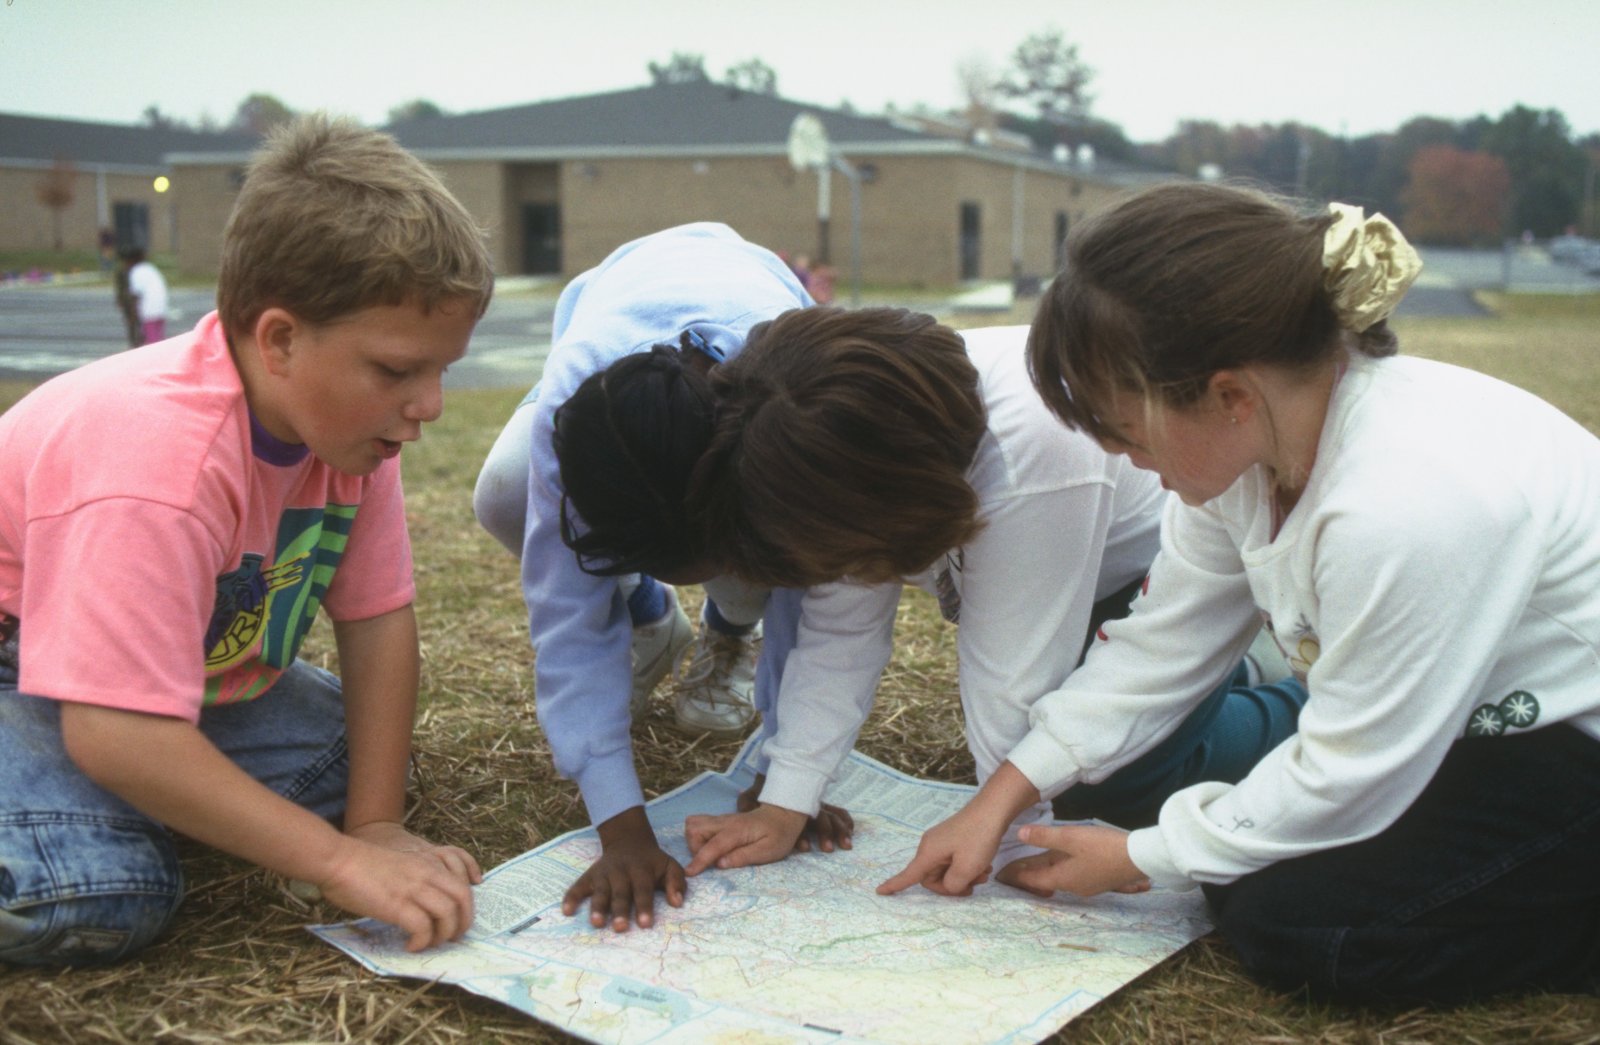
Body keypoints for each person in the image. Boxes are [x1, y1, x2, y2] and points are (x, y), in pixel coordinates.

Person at [878, 182, 1600, 1005]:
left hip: (1569, 736)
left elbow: (1353, 768)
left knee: (1307, 929)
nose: (1123, 458)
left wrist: (1140, 857)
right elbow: (1163, 642)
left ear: (1228, 395)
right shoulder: (1251, 457)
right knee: (1245, 867)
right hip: (1478, 720)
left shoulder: (1403, 502)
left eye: (1126, 433)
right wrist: (1003, 794)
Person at [0, 113, 494, 968]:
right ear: (280, 340)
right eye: (396, 369)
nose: (430, 405)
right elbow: (113, 730)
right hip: (27, 668)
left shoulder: (348, 431)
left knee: (360, 758)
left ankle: (118, 802)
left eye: (440, 368)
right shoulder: (158, 461)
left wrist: (376, 822)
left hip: (176, 684)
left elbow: (376, 619)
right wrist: (342, 860)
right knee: (98, 892)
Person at [654, 308, 1304, 879]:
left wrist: (1016, 837)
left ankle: (1292, 703)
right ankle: (1229, 672)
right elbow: (840, 632)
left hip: (1152, 577)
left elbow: (1009, 680)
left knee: (1115, 780)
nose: (848, 572)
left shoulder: (1036, 450)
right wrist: (784, 803)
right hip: (1056, 576)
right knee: (1060, 754)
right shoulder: (830, 429)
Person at [471, 222, 810, 932]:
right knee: (503, 490)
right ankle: (649, 616)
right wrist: (621, 829)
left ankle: (727, 629)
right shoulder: (573, 413)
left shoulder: (795, 395)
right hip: (607, 310)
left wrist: (793, 776)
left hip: (757, 337)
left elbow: (813, 599)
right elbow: (565, 620)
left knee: (778, 557)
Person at [123, 245, 170, 346]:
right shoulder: (150, 268)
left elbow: (135, 295)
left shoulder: (136, 271)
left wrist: (133, 314)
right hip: (161, 308)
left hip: (149, 309)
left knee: (152, 342)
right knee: (159, 337)